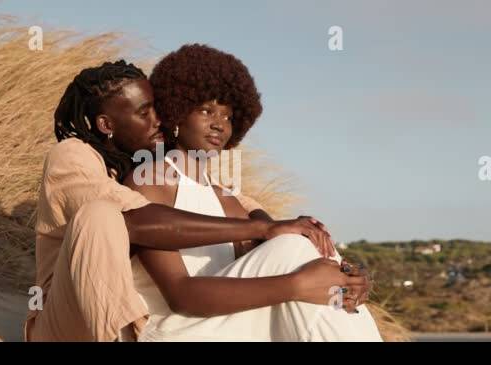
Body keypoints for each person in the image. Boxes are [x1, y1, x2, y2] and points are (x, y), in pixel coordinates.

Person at [26, 60, 364, 342]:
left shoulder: (152, 168)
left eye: (157, 110)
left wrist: (341, 272)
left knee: (296, 245)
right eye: (144, 113)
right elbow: (141, 222)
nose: (157, 120)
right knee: (101, 215)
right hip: (65, 321)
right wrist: (266, 231)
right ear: (106, 124)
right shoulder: (73, 156)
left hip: (139, 320)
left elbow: (242, 206)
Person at [123, 45, 382, 341]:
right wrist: (296, 284)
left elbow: (279, 266)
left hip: (231, 327)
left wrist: (350, 282)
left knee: (308, 242)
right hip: (175, 330)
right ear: (178, 113)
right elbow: (182, 296)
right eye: (207, 110)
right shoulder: (149, 182)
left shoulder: (230, 202)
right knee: (291, 247)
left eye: (229, 116)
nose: (219, 123)